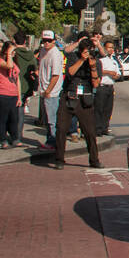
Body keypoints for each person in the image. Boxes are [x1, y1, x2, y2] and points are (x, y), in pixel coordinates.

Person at [53, 35, 102, 170]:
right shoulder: (73, 57)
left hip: (85, 99)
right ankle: (59, 159)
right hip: (69, 96)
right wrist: (81, 59)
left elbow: (96, 84)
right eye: (86, 51)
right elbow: (70, 72)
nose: (88, 53)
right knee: (61, 129)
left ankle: (94, 159)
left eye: (90, 50)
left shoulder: (96, 61)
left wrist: (92, 68)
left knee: (90, 132)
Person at [0, 43, 21, 149]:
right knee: (3, 118)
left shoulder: (14, 62)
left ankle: (15, 138)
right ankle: (2, 139)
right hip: (3, 94)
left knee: (14, 118)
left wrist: (19, 96)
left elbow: (18, 80)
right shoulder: (0, 61)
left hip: (13, 94)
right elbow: (9, 66)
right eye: (11, 51)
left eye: (14, 51)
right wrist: (8, 53)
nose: (13, 53)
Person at [37, 30, 64, 149]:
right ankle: (50, 140)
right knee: (46, 119)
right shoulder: (43, 51)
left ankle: (53, 142)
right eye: (44, 41)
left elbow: (56, 75)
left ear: (54, 41)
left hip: (52, 92)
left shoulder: (55, 54)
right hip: (43, 90)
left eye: (49, 41)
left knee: (52, 120)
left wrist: (48, 90)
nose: (46, 43)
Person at [11, 32, 37, 145]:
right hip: (27, 85)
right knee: (20, 111)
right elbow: (35, 69)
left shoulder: (13, 53)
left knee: (14, 112)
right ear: (25, 41)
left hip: (14, 85)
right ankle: (19, 136)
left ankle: (15, 137)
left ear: (14, 41)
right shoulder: (30, 54)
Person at [96, 39, 121, 134]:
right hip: (102, 86)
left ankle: (104, 128)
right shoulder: (101, 60)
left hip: (110, 87)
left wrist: (116, 75)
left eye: (112, 48)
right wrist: (108, 72)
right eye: (109, 47)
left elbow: (118, 73)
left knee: (108, 109)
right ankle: (97, 129)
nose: (111, 50)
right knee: (99, 108)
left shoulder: (113, 61)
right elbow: (97, 71)